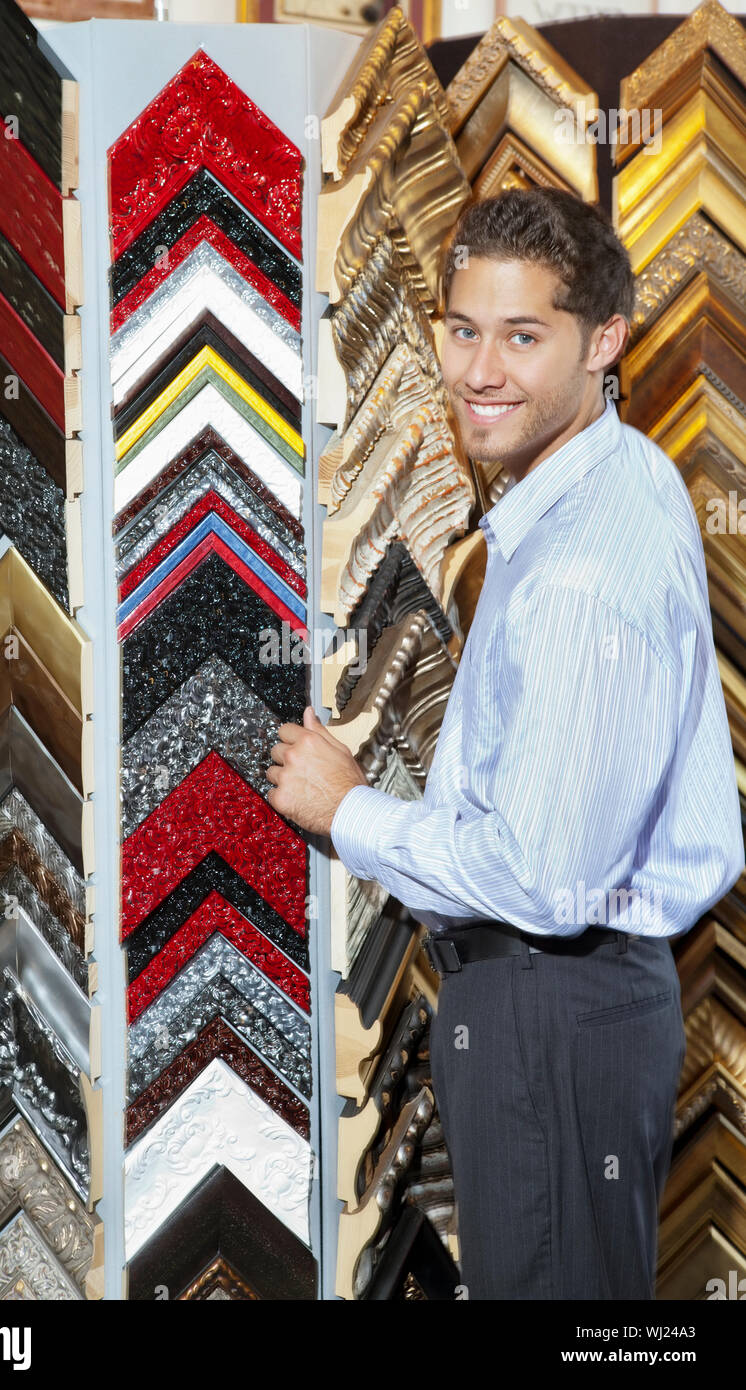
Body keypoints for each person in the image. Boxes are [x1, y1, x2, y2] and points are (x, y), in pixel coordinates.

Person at [266, 187, 745, 1300]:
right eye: (462, 329)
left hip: (547, 1011)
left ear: (603, 340)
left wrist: (349, 811)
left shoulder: (579, 571)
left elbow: (543, 878)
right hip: (571, 1013)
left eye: (521, 336)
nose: (478, 370)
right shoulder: (615, 478)